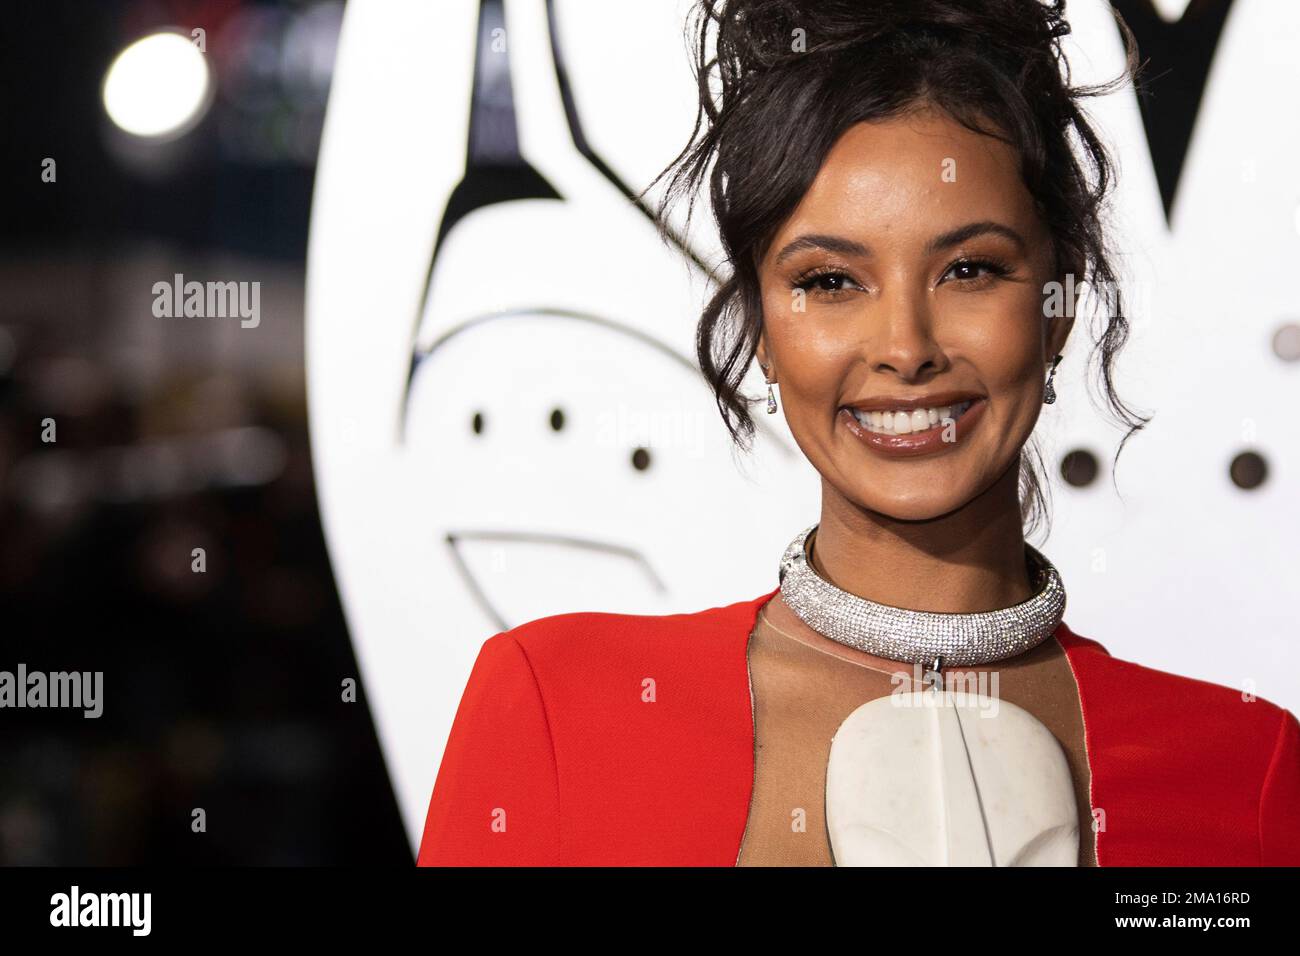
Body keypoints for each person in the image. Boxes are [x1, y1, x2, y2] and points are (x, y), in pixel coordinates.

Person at [416, 0, 1300, 866]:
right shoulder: (561, 708)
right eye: (832, 281)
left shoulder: (1243, 770)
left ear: (1057, 307)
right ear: (759, 324)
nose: (906, 348)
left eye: (970, 269)